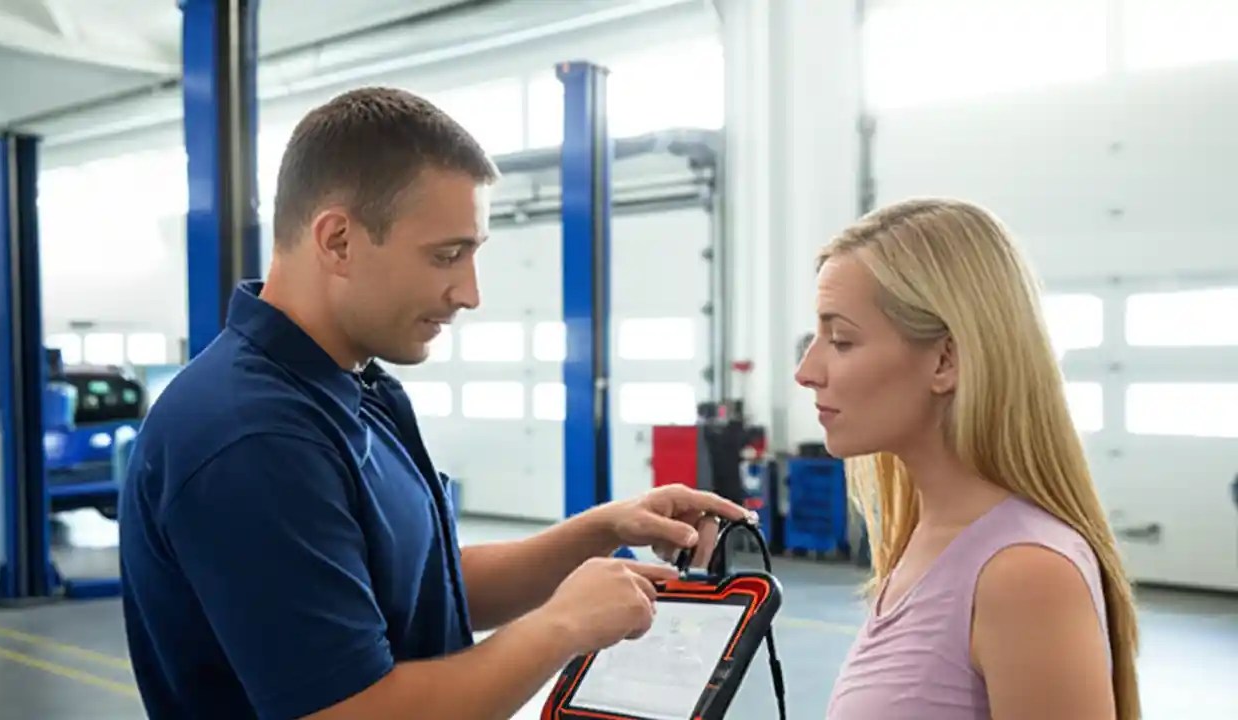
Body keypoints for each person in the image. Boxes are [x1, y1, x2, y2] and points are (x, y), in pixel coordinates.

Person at [118, 86, 750, 720]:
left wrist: (598, 532)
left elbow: (421, 589)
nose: (469, 293)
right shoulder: (253, 438)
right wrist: (560, 628)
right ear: (338, 240)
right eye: (447, 255)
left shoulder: (354, 387)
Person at [796, 198, 1141, 720]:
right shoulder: (924, 539)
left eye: (841, 340)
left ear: (945, 360)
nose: (807, 370)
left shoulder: (1024, 575)